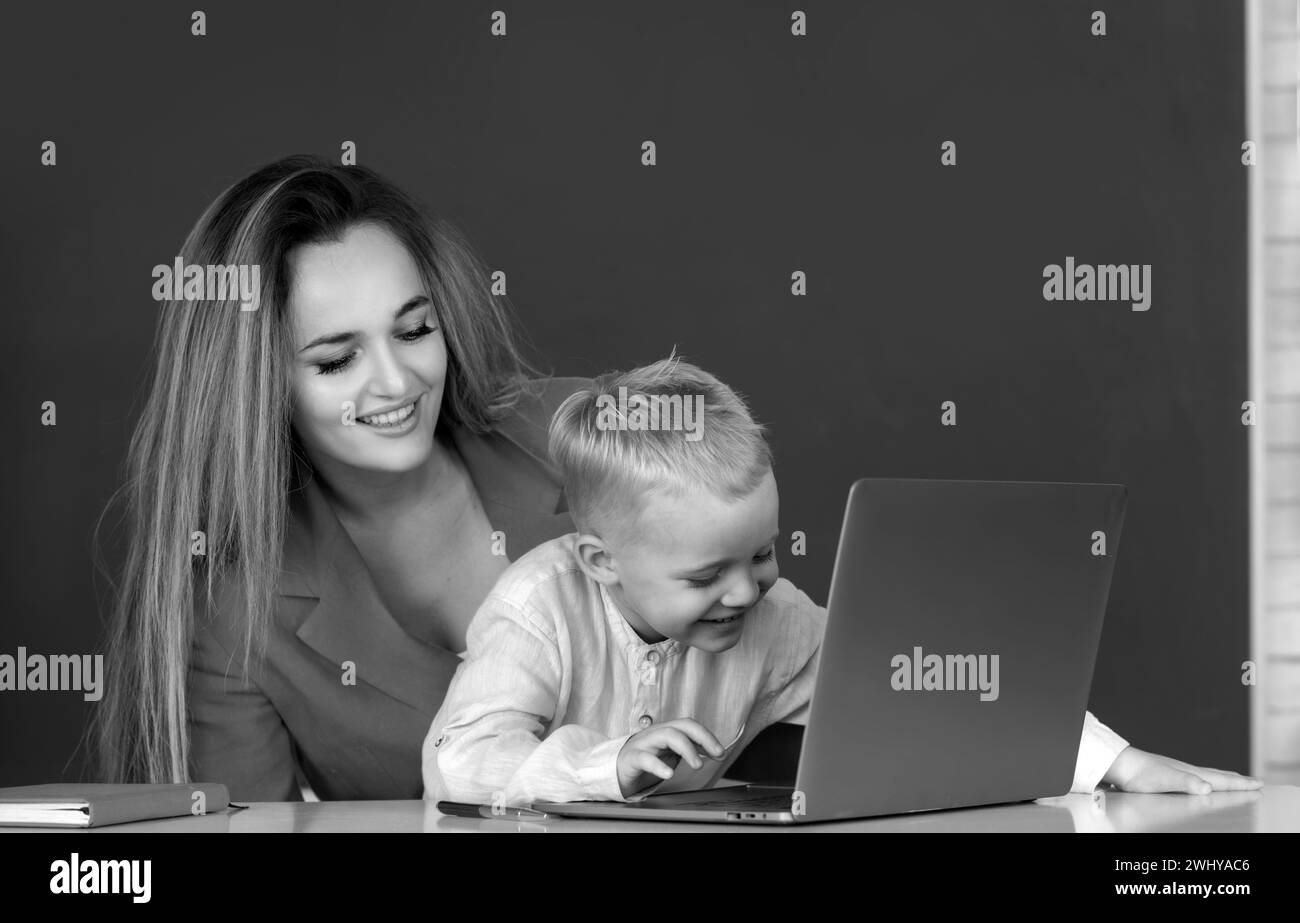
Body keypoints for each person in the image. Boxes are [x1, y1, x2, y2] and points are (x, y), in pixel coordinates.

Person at [423, 357, 1262, 805]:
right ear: (600, 561)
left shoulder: (774, 619)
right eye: (707, 574)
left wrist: (1115, 763)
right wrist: (609, 763)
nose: (747, 592)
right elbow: (460, 759)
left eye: (761, 555)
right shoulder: (540, 606)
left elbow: (927, 686)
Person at [94, 154, 584, 800]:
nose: (396, 381)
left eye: (413, 329)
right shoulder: (232, 615)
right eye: (336, 360)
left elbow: (755, 650)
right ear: (260, 386)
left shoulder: (586, 437)